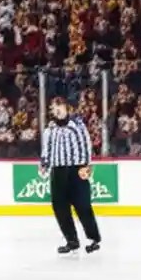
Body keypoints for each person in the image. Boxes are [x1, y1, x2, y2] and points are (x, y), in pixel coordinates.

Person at [40, 95, 103, 254]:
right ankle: (71, 240)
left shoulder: (77, 126)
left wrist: (86, 165)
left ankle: (93, 238)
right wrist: (44, 164)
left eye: (60, 106)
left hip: (76, 170)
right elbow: (47, 149)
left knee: (83, 205)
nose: (57, 110)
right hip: (58, 171)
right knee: (60, 207)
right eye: (54, 108)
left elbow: (86, 145)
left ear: (67, 108)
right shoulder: (50, 130)